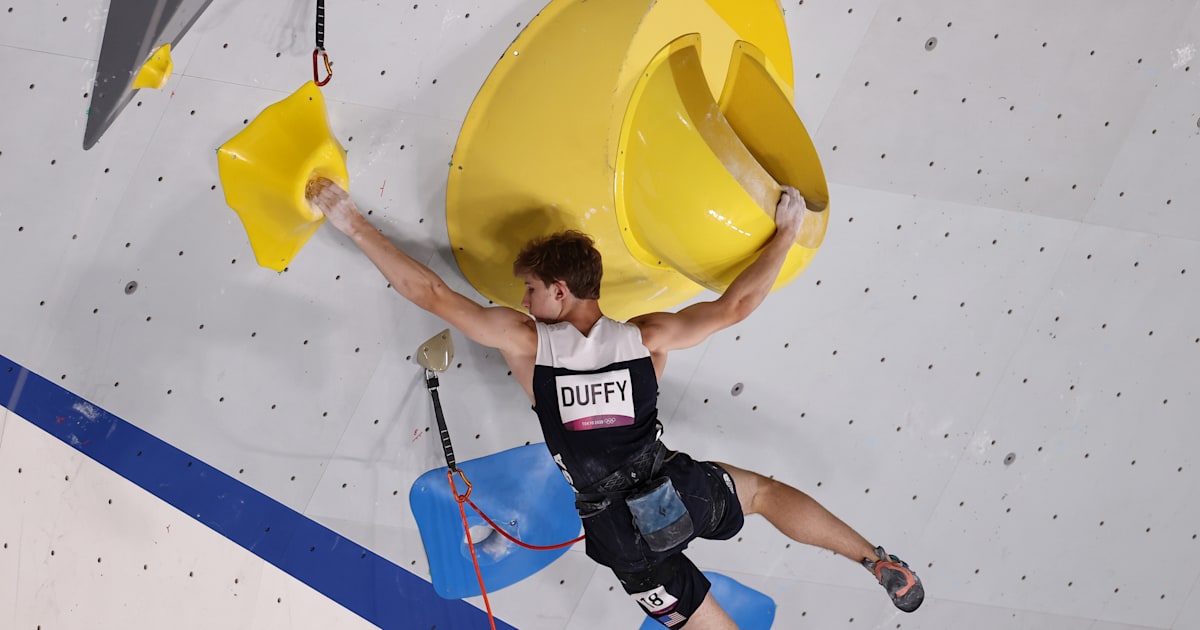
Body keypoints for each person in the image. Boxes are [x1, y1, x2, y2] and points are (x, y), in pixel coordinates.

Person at [307, 178, 924, 628]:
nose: (523, 301)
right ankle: (874, 560)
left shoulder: (529, 345)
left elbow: (431, 293)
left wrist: (349, 219)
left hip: (621, 531)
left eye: (529, 289)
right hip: (670, 486)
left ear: (560, 288)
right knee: (761, 495)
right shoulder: (645, 337)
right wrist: (785, 233)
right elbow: (736, 306)